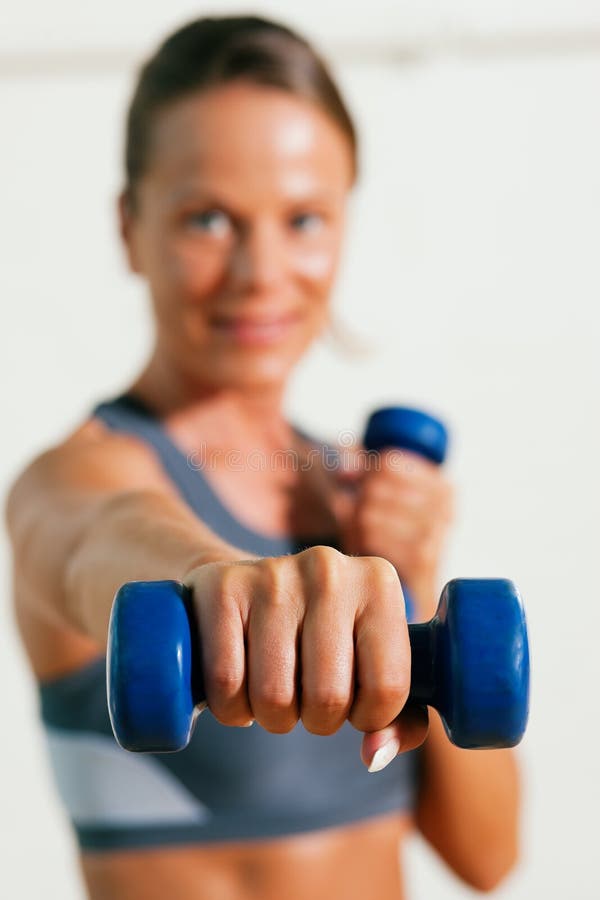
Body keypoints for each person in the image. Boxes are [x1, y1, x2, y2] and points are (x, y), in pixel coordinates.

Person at [5, 15, 521, 900]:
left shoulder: (349, 489)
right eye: (209, 219)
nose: (262, 270)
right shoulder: (78, 477)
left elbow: (488, 859)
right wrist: (217, 576)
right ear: (131, 228)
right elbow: (100, 537)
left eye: (304, 219)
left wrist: (413, 578)